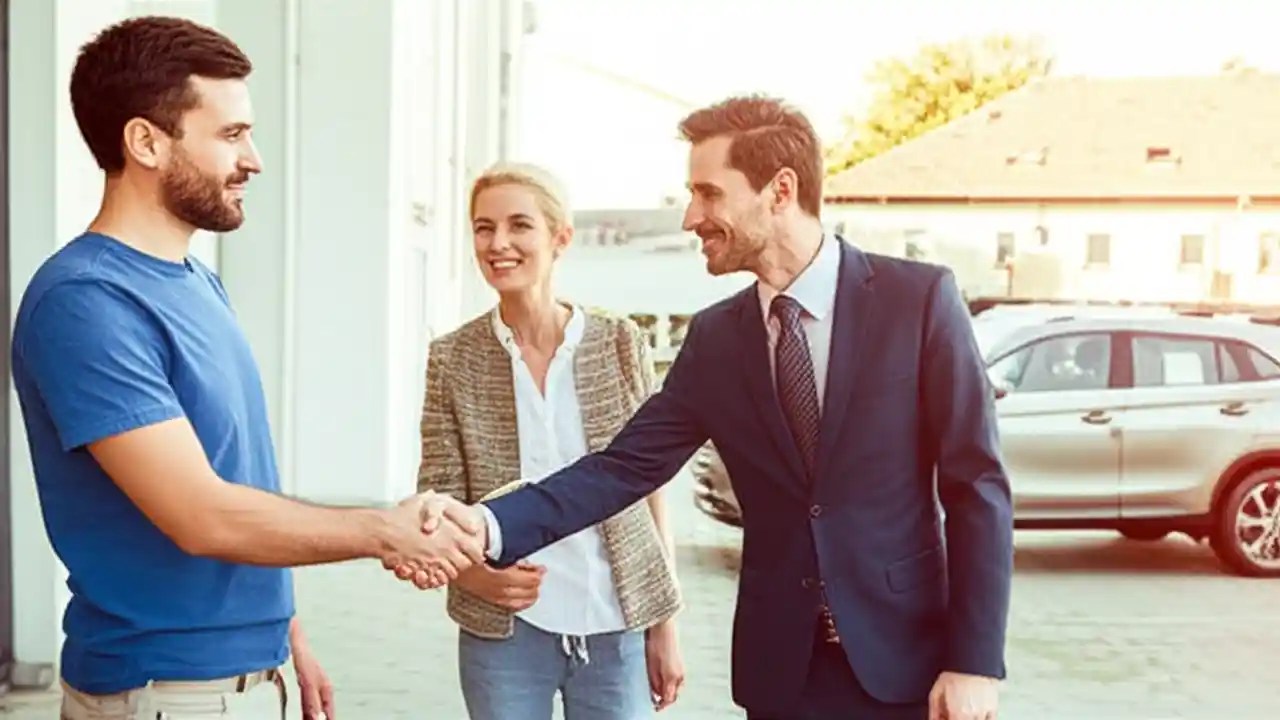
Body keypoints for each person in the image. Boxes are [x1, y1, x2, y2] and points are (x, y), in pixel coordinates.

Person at [410, 96, 1013, 720]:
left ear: (779, 190)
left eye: (708, 193)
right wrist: (489, 525)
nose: (692, 217)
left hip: (908, 666)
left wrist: (974, 662)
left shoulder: (918, 301)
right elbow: (622, 469)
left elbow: (978, 488)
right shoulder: (718, 337)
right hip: (783, 673)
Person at [10, 16, 481, 720]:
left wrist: (284, 634)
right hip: (164, 692)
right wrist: (385, 531)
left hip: (249, 678)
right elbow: (200, 514)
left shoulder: (196, 282)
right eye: (230, 135)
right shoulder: (86, 302)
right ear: (145, 142)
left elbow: (239, 477)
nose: (254, 158)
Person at [417, 162, 685, 718]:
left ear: (560, 238)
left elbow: (649, 486)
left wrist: (665, 624)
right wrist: (474, 576)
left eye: (520, 225)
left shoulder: (619, 340)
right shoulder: (452, 358)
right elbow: (438, 502)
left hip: (616, 624)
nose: (499, 243)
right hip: (506, 632)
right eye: (483, 228)